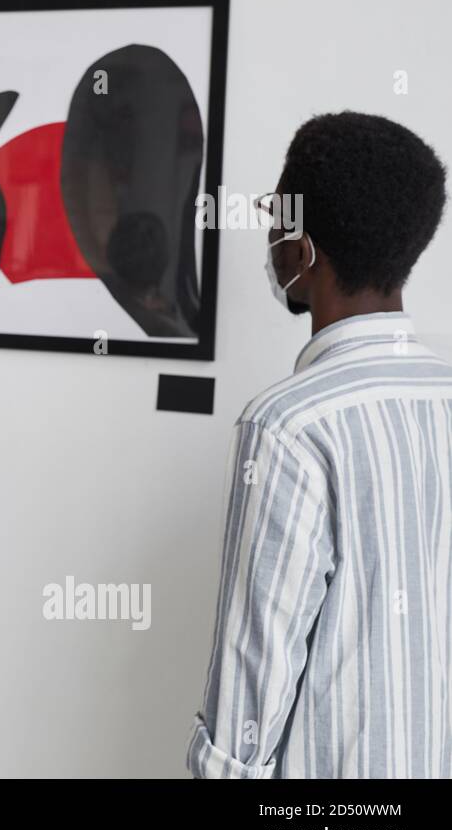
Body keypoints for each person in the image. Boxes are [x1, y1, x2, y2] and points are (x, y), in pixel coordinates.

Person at [188, 112, 451, 778]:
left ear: (301, 249)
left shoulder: (286, 428)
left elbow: (249, 698)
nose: (269, 232)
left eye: (274, 215)